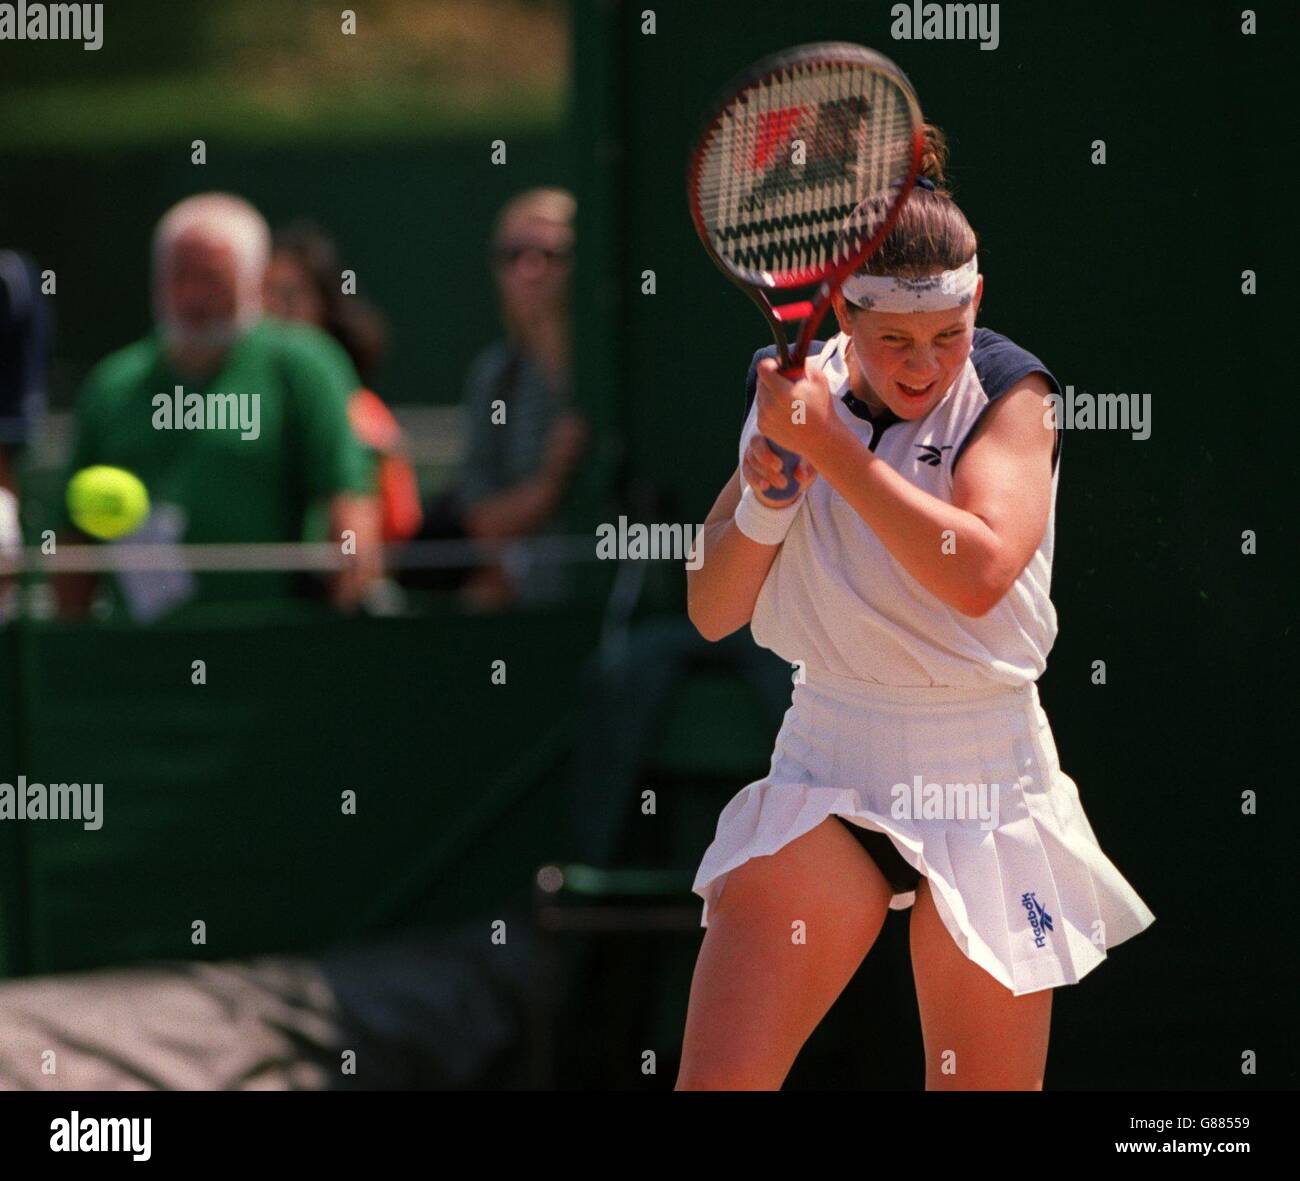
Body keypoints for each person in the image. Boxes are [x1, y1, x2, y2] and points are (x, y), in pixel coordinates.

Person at [676, 126, 1155, 1091]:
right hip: (827, 764)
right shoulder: (792, 390)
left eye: (946, 334)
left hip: (985, 780)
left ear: (975, 302)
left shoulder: (1012, 394)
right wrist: (771, 499)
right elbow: (711, 610)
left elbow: (976, 572)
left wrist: (835, 456)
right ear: (841, 310)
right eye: (893, 339)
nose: (924, 364)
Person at [54, 193, 381, 620]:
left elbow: (349, 500)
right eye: (180, 276)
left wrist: (344, 604)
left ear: (254, 281)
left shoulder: (306, 367)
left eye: (211, 278)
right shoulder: (112, 385)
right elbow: (72, 542)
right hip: (142, 652)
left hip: (275, 644)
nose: (193, 296)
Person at [405, 187, 586, 610]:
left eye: (550, 254)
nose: (529, 269)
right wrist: (550, 483)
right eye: (512, 255)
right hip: (528, 612)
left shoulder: (616, 363)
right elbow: (481, 522)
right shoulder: (494, 377)